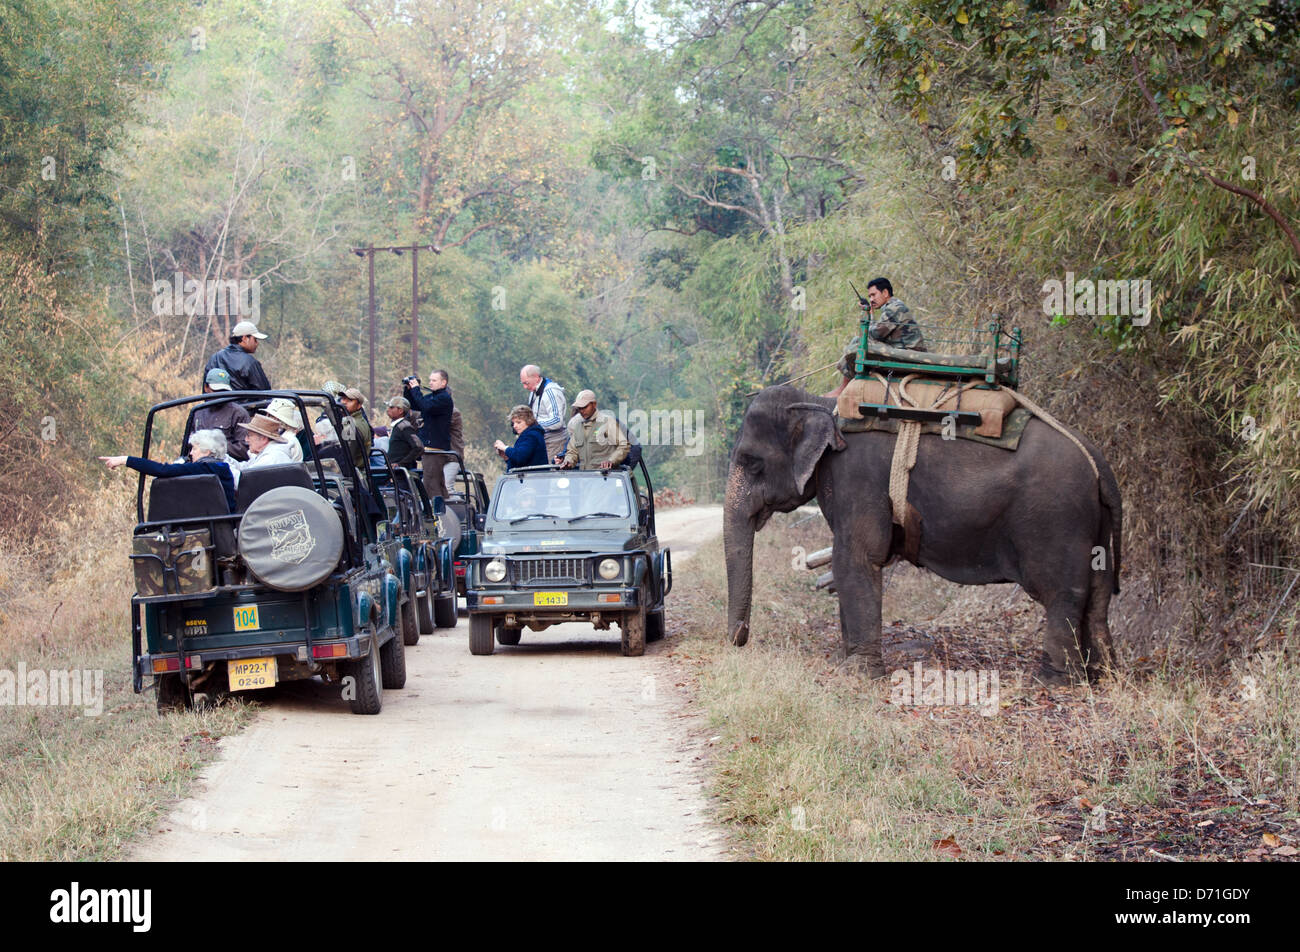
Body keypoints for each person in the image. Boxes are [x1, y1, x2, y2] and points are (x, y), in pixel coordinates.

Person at [828, 278, 926, 399]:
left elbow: (874, 335)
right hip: (902, 351)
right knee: (859, 342)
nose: (871, 299)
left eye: (874, 295)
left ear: (885, 293)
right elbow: (876, 333)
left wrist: (868, 315)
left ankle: (843, 388)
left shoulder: (894, 308)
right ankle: (847, 386)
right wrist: (869, 312)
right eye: (869, 296)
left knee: (858, 342)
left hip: (907, 354)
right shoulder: (893, 306)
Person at [100, 428, 236, 512]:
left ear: (207, 451)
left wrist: (126, 460)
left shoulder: (204, 467)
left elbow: (163, 470)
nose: (191, 454)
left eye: (194, 448)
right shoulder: (221, 468)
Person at [404, 369, 454, 501]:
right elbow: (415, 404)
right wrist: (408, 389)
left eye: (434, 380)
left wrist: (416, 389)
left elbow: (426, 406)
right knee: (438, 484)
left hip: (435, 448)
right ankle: (445, 512)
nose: (430, 383)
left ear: (443, 382)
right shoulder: (433, 397)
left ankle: (435, 515)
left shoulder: (444, 399)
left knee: (431, 484)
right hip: (430, 447)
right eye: (430, 380)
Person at [191, 368, 250, 461]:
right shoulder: (198, 412)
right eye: (216, 391)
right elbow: (189, 445)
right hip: (199, 464)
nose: (220, 395)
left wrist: (216, 447)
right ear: (206, 388)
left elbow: (245, 449)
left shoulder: (238, 413)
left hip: (227, 464)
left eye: (223, 391)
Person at [560, 390, 629, 470]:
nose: (582, 411)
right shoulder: (578, 427)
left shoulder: (607, 422)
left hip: (607, 477)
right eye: (579, 408)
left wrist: (611, 461)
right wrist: (568, 461)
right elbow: (572, 451)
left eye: (585, 407)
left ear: (594, 404)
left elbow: (624, 445)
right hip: (586, 478)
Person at [203, 320, 272, 392]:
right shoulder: (249, 362)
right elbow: (265, 393)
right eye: (255, 339)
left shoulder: (215, 358)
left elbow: (206, 391)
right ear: (245, 338)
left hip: (216, 403)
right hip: (245, 403)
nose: (257, 343)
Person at [521, 365, 568, 462]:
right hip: (542, 441)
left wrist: (533, 425)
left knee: (549, 473)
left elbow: (557, 421)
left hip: (554, 442)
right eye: (523, 384)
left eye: (526, 383)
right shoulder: (534, 391)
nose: (524, 387)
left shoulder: (551, 392)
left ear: (536, 377)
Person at [231, 413, 299, 472]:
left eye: (249, 436)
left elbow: (245, 479)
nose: (246, 439)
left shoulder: (271, 457)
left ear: (263, 439)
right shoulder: (267, 452)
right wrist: (225, 459)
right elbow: (244, 467)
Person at [493, 405, 548, 472]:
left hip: (533, 479)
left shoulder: (532, 436)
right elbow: (519, 464)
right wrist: (506, 457)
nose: (515, 426)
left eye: (518, 422)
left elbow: (519, 457)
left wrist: (505, 448)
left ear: (529, 421)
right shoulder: (527, 435)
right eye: (513, 423)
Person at [385, 396, 424, 470]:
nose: (388, 409)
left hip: (402, 473)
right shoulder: (398, 426)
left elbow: (419, 447)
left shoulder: (404, 427)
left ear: (400, 411)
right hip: (394, 471)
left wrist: (401, 464)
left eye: (392, 407)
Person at [339, 387, 372, 471]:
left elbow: (346, 456)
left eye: (349, 400)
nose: (344, 402)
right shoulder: (361, 420)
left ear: (359, 406)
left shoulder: (349, 423)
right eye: (343, 399)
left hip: (352, 475)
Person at [264, 397, 306, 463]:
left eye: (269, 415)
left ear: (276, 419)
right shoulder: (282, 436)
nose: (265, 417)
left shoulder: (287, 441)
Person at [443, 408, 465, 497]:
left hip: (452, 457)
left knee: (447, 487)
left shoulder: (453, 412)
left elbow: (441, 425)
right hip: (439, 456)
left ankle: (457, 508)